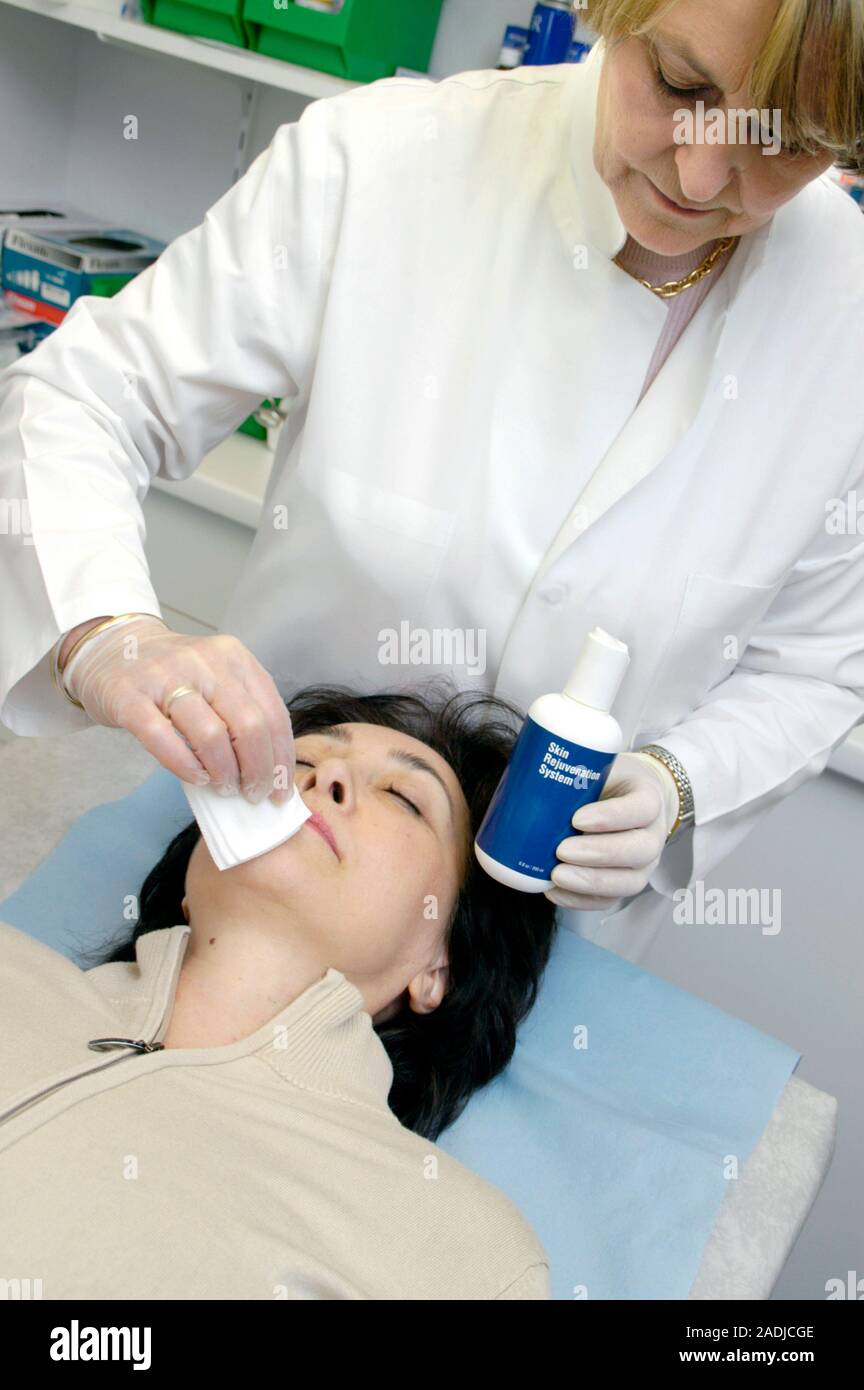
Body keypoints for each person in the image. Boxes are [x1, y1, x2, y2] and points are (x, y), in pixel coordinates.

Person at [1, 0, 863, 965]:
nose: (701, 174)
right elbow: (83, 399)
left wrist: (682, 782)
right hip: (262, 859)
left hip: (544, 956)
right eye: (677, 86)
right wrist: (105, 630)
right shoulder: (382, 162)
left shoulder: (847, 314)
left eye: (785, 141)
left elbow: (813, 665)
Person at [0, 682, 557, 1300]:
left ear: (438, 970)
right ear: (191, 876)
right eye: (298, 763)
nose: (326, 779)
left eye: (403, 797)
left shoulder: (460, 1247)